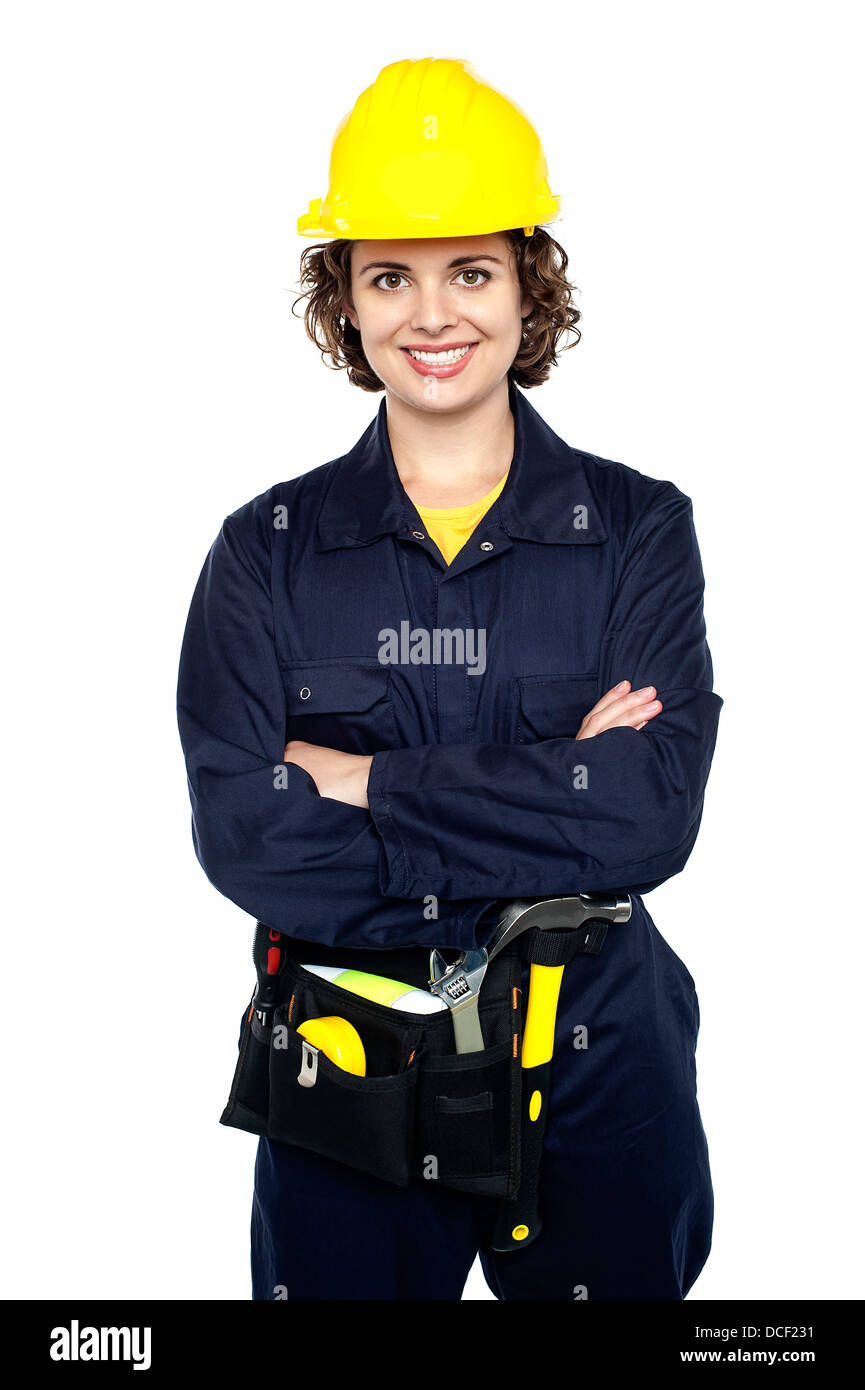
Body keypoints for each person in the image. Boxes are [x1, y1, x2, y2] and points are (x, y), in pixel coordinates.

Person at [176, 56, 723, 1301]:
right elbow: (247, 839)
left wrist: (365, 781)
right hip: (347, 1063)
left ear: (530, 286)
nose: (434, 314)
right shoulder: (263, 553)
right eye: (391, 276)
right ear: (346, 301)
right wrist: (547, 799)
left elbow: (646, 816)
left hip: (596, 1056)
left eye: (470, 270)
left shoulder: (639, 530)